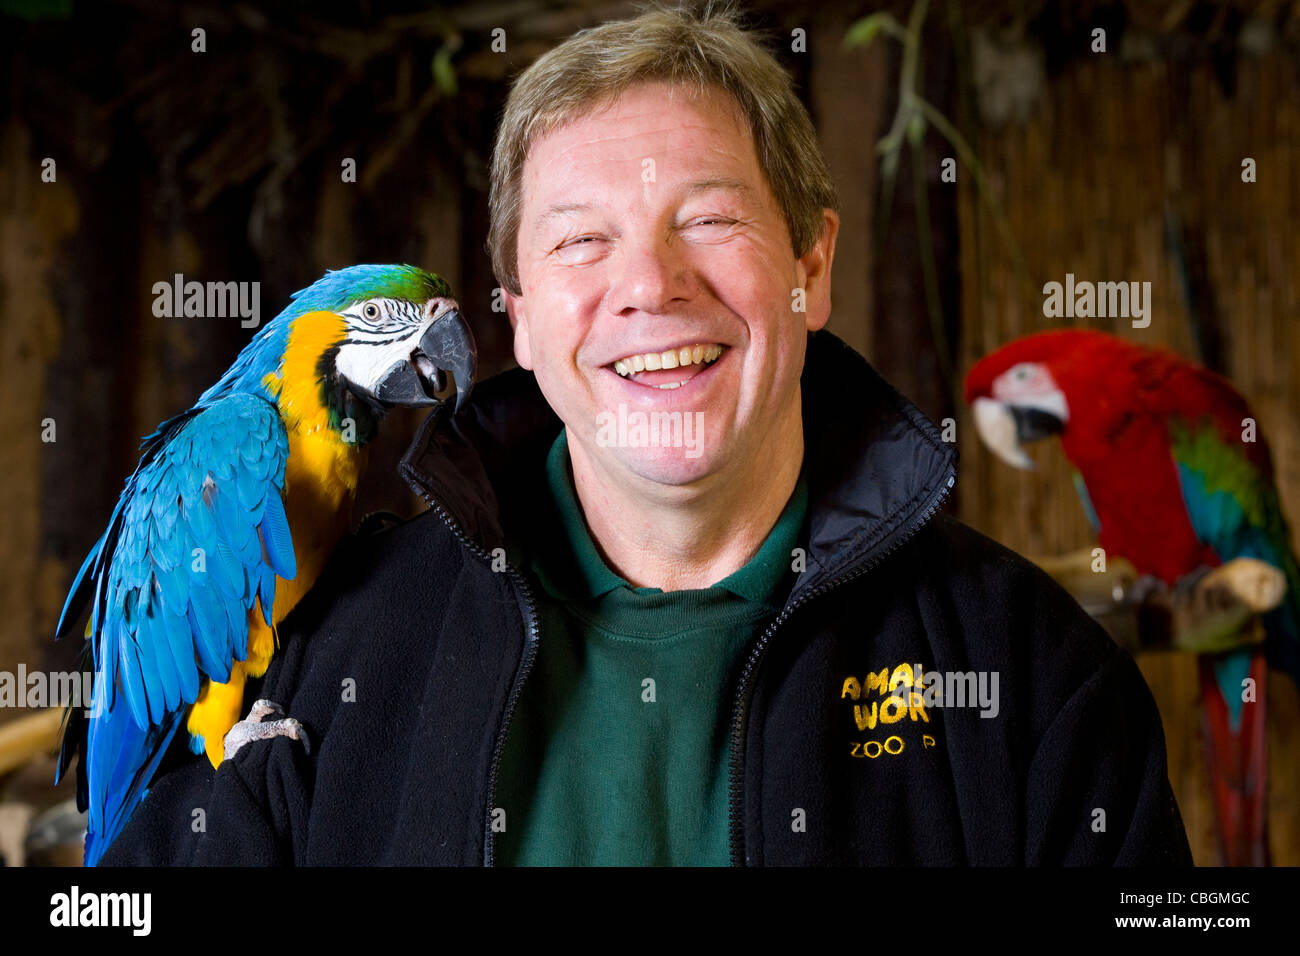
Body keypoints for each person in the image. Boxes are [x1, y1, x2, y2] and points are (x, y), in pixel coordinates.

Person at [102, 1, 1192, 866]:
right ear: (519, 321)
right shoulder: (335, 647)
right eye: (582, 242)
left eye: (708, 219)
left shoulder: (1033, 674)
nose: (650, 288)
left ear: (812, 268)